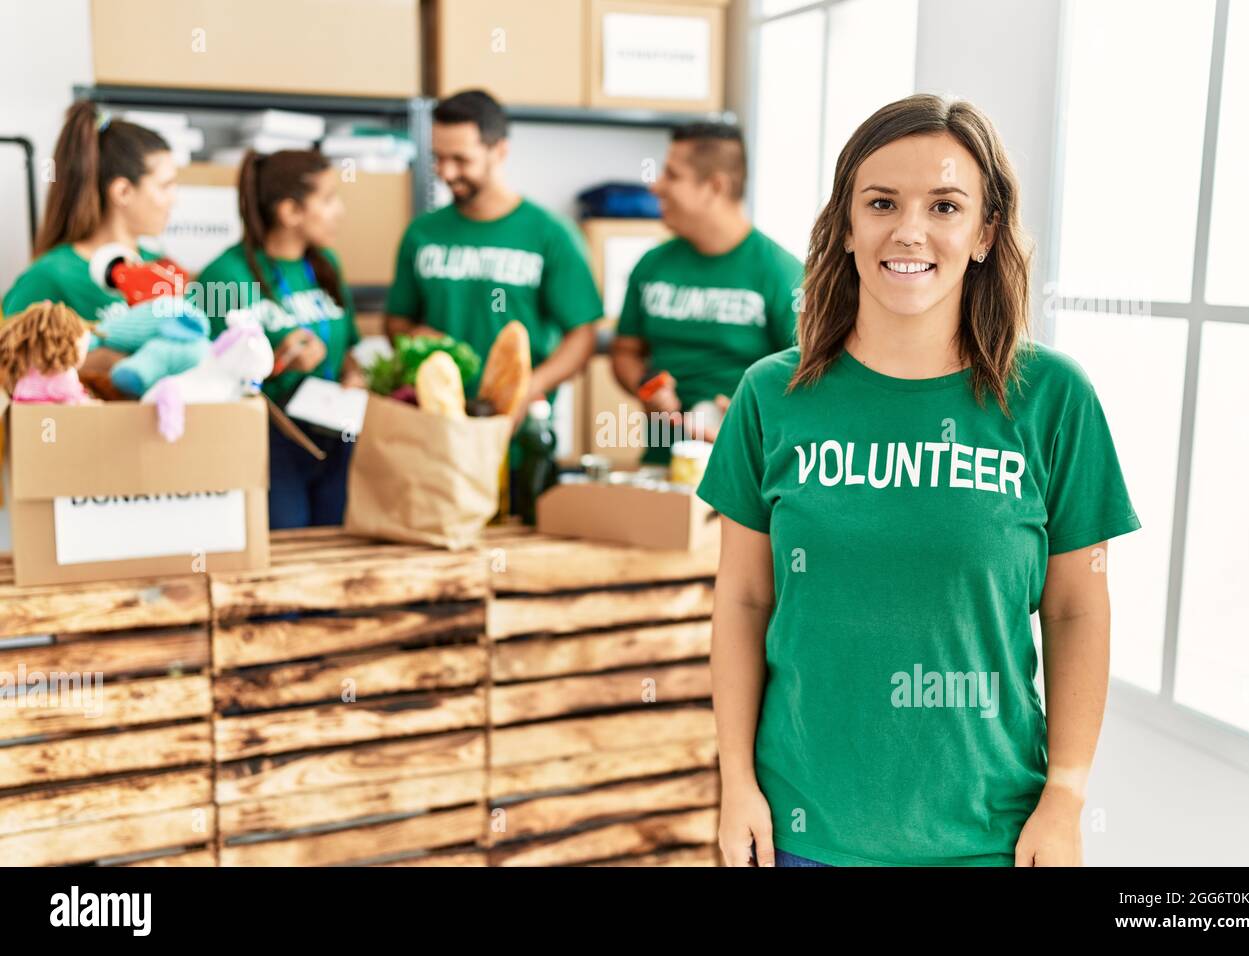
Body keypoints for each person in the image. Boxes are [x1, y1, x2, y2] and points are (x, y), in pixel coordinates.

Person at [697, 93, 1142, 868]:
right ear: (845, 225)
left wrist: (1065, 796)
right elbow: (742, 599)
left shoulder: (1053, 400)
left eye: (945, 205)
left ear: (983, 233)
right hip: (803, 834)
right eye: (881, 202)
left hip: (989, 837)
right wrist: (737, 781)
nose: (909, 230)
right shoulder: (771, 397)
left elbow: (1075, 610)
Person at [383, 88, 602, 447]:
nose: (446, 172)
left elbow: (582, 335)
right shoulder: (422, 234)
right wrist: (415, 340)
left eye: (461, 159)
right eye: (438, 158)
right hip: (437, 427)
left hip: (519, 432)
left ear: (499, 151)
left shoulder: (550, 234)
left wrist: (532, 386)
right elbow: (397, 321)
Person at [610, 123, 803, 464]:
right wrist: (646, 385)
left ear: (714, 187)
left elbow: (810, 378)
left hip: (746, 470)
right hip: (663, 466)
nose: (656, 186)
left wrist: (750, 418)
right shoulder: (652, 264)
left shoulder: (781, 274)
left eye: (672, 175)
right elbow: (626, 351)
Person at [197, 150, 364, 529]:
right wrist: (276, 363)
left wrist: (355, 377)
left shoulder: (326, 264)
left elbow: (349, 347)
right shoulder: (223, 276)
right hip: (269, 442)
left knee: (335, 547)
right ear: (289, 212)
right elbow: (201, 376)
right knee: (289, 551)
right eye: (327, 199)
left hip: (336, 435)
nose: (339, 210)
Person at [2, 101, 177, 395]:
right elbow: (10, 372)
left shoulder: (162, 268)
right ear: (123, 192)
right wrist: (94, 362)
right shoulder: (49, 276)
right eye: (165, 186)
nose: (174, 199)